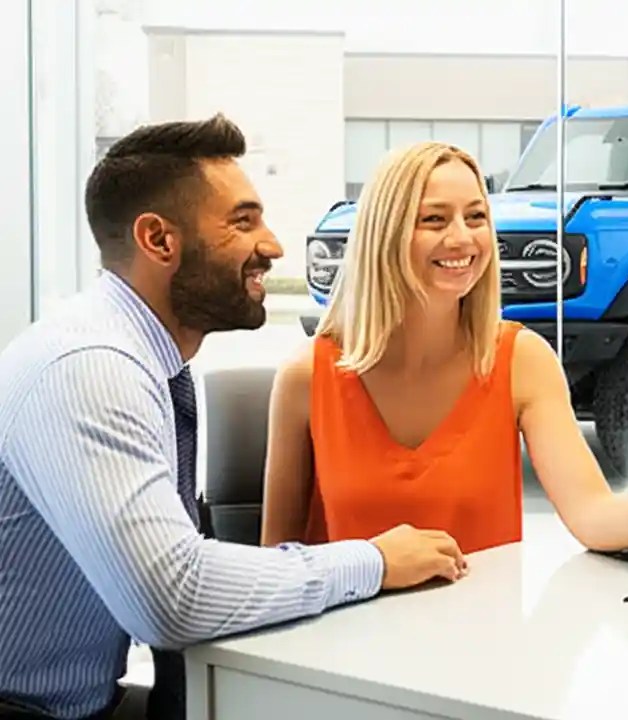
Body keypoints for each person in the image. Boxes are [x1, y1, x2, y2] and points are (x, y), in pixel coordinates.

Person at [0, 116, 484, 720]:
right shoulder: (90, 369)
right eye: (243, 221)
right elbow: (172, 597)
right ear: (159, 240)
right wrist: (375, 561)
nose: (274, 245)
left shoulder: (140, 360)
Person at [259, 140, 628, 560]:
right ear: (384, 235)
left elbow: (595, 518)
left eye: (476, 217)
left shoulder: (520, 361)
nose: (462, 239)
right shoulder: (306, 378)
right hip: (347, 653)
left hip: (491, 645)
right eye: (434, 220)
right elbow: (275, 565)